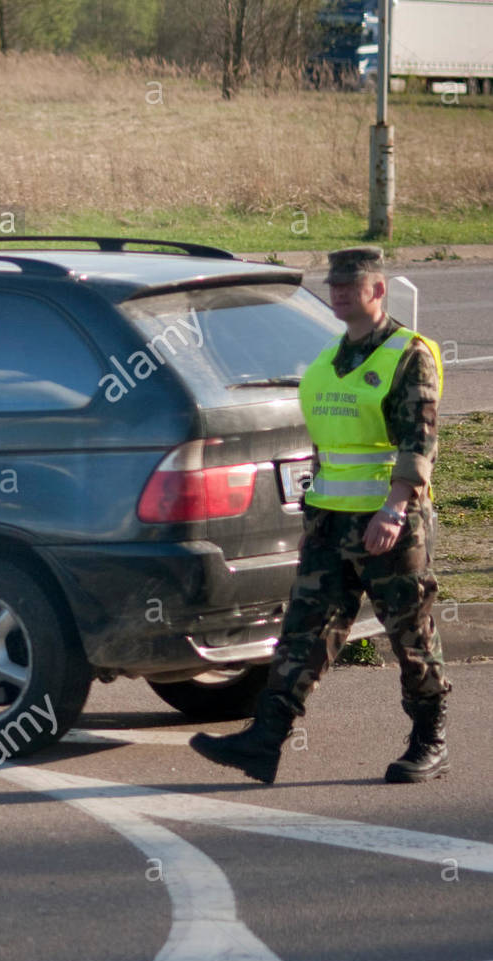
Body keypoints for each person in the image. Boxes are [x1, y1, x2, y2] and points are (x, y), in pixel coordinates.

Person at [190, 246, 452, 785]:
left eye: (349, 285)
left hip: (387, 525)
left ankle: (430, 740)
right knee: (305, 631)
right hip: (330, 522)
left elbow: (417, 441)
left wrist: (395, 509)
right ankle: (264, 741)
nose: (337, 293)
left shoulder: (408, 354)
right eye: (332, 285)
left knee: (411, 635)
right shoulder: (333, 356)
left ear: (377, 290)